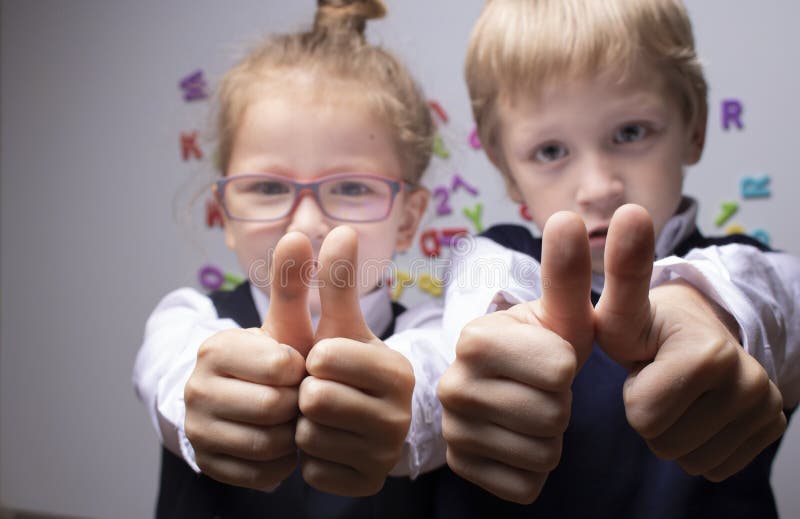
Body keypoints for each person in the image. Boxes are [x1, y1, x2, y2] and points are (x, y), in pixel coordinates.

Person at [433, 0, 800, 517]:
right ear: (506, 170)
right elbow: (475, 297)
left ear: (694, 128)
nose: (598, 187)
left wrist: (706, 307)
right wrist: (488, 341)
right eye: (550, 151)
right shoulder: (491, 259)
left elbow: (777, 293)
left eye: (630, 133)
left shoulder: (749, 272)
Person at [132, 1, 447, 517]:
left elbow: (434, 387)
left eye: (349, 187)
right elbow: (169, 374)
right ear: (226, 215)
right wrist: (198, 401)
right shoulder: (187, 318)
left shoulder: (436, 332)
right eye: (268, 187)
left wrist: (403, 410)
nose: (305, 226)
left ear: (409, 219)